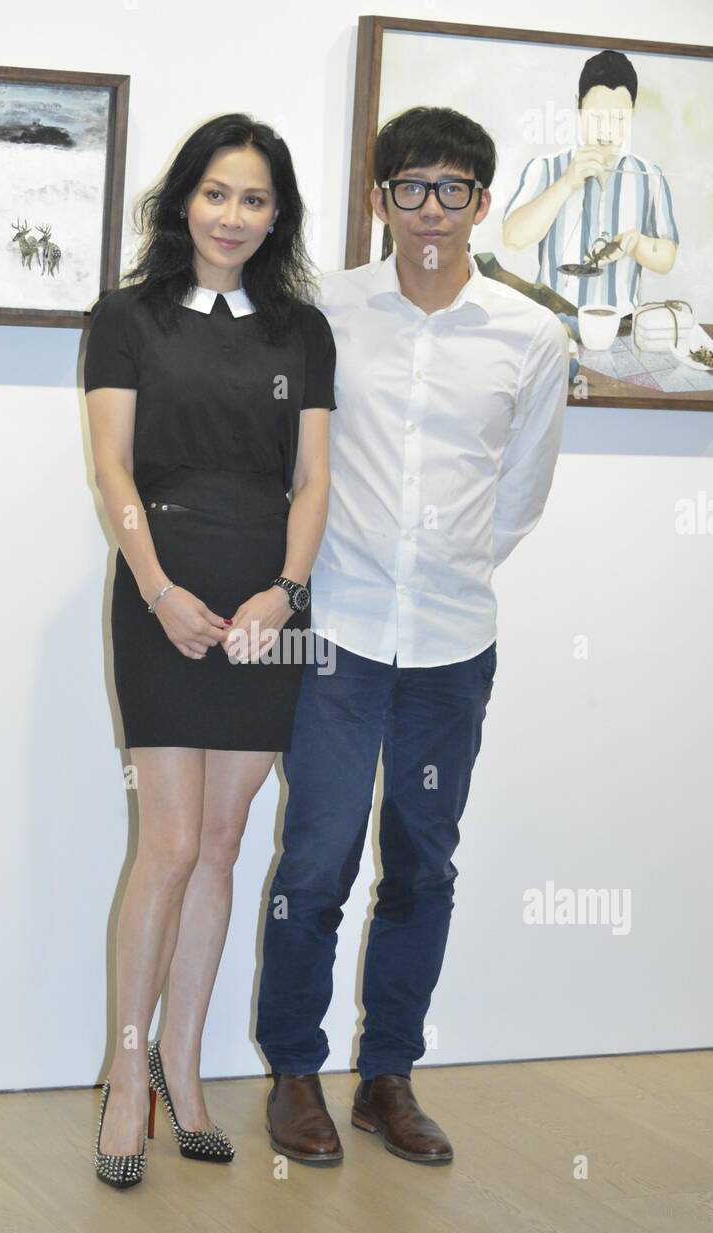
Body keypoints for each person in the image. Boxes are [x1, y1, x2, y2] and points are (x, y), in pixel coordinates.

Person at [256, 105, 570, 1166]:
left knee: (423, 868)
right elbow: (292, 457)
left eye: (451, 189)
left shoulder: (530, 336)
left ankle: (386, 1076)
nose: (428, 210)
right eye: (408, 187)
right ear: (377, 199)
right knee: (316, 856)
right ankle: (293, 1070)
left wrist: (442, 572)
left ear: (481, 203)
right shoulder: (326, 309)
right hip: (335, 635)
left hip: (449, 647)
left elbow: (518, 497)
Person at [84, 113, 335, 1188]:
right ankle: (126, 1074)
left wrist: (283, 593)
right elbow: (112, 475)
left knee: (224, 847)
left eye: (255, 199)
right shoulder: (125, 317)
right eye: (217, 193)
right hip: (164, 589)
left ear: (277, 216)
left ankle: (186, 1070)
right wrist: (157, 591)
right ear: (183, 198)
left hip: (269, 609)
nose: (233, 215)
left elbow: (313, 480)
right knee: (170, 844)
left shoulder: (301, 330)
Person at [502, 49, 678, 318]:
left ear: (633, 112)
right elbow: (512, 239)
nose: (607, 130)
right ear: (578, 106)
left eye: (619, 118)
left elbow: (667, 257)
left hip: (621, 326)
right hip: (554, 323)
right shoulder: (546, 168)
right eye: (596, 116)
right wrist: (566, 183)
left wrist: (636, 244)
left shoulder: (650, 176)